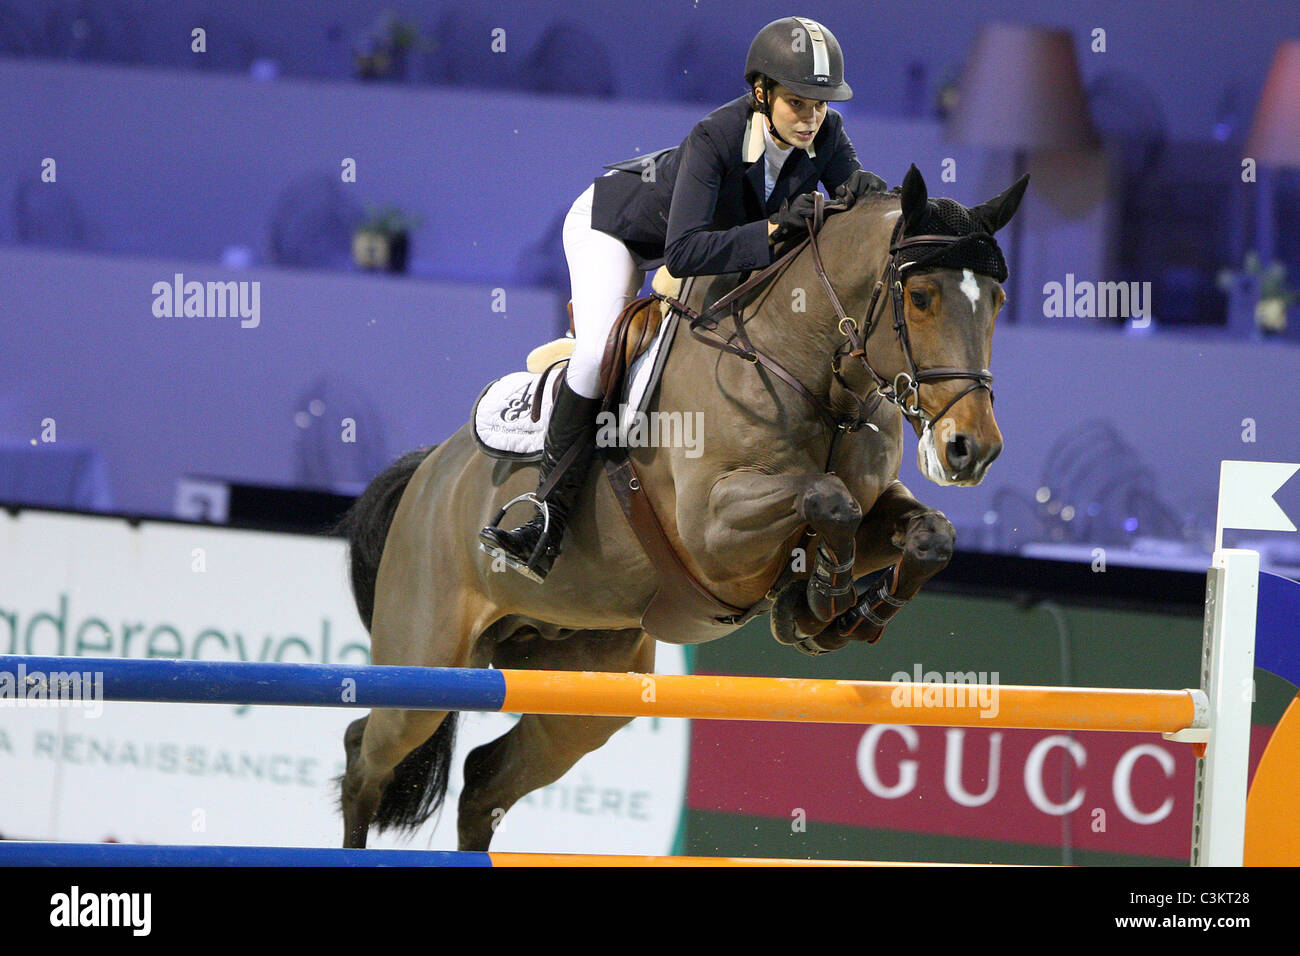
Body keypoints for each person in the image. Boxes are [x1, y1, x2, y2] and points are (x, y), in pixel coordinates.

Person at [479, 15, 887, 582]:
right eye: (799, 102)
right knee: (598, 352)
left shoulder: (825, 132)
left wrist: (871, 197)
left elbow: (850, 191)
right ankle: (547, 515)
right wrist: (773, 232)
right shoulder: (715, 137)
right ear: (761, 92)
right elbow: (685, 254)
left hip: (700, 239)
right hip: (617, 230)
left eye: (821, 103)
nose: (812, 116)